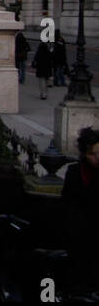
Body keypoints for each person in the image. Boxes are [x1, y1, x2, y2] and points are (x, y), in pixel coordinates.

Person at [62, 127, 99, 296]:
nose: (97, 158)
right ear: (84, 154)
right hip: (79, 239)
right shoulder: (75, 173)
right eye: (92, 154)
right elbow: (68, 202)